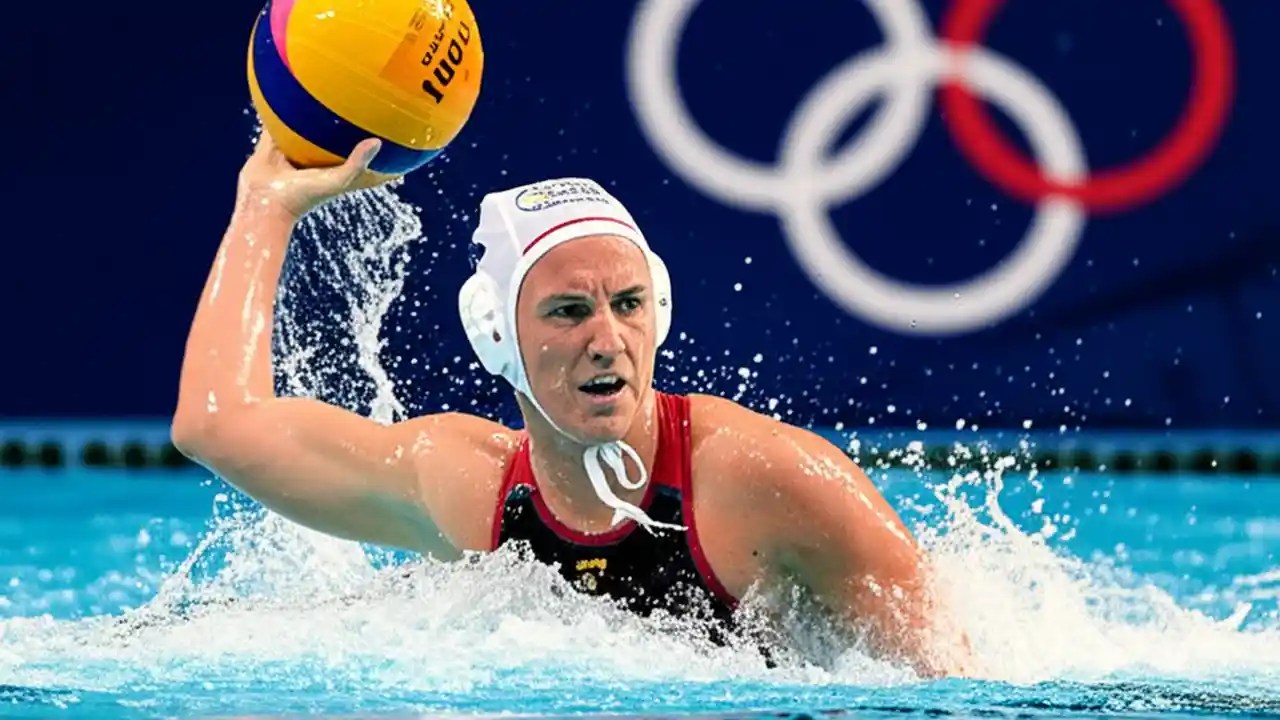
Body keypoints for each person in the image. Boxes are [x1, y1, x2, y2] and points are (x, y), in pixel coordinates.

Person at [171, 134, 975, 677]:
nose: (608, 339)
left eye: (628, 304)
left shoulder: (764, 478)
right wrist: (264, 208)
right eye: (567, 312)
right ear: (495, 335)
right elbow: (215, 425)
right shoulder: (465, 485)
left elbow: (959, 687)